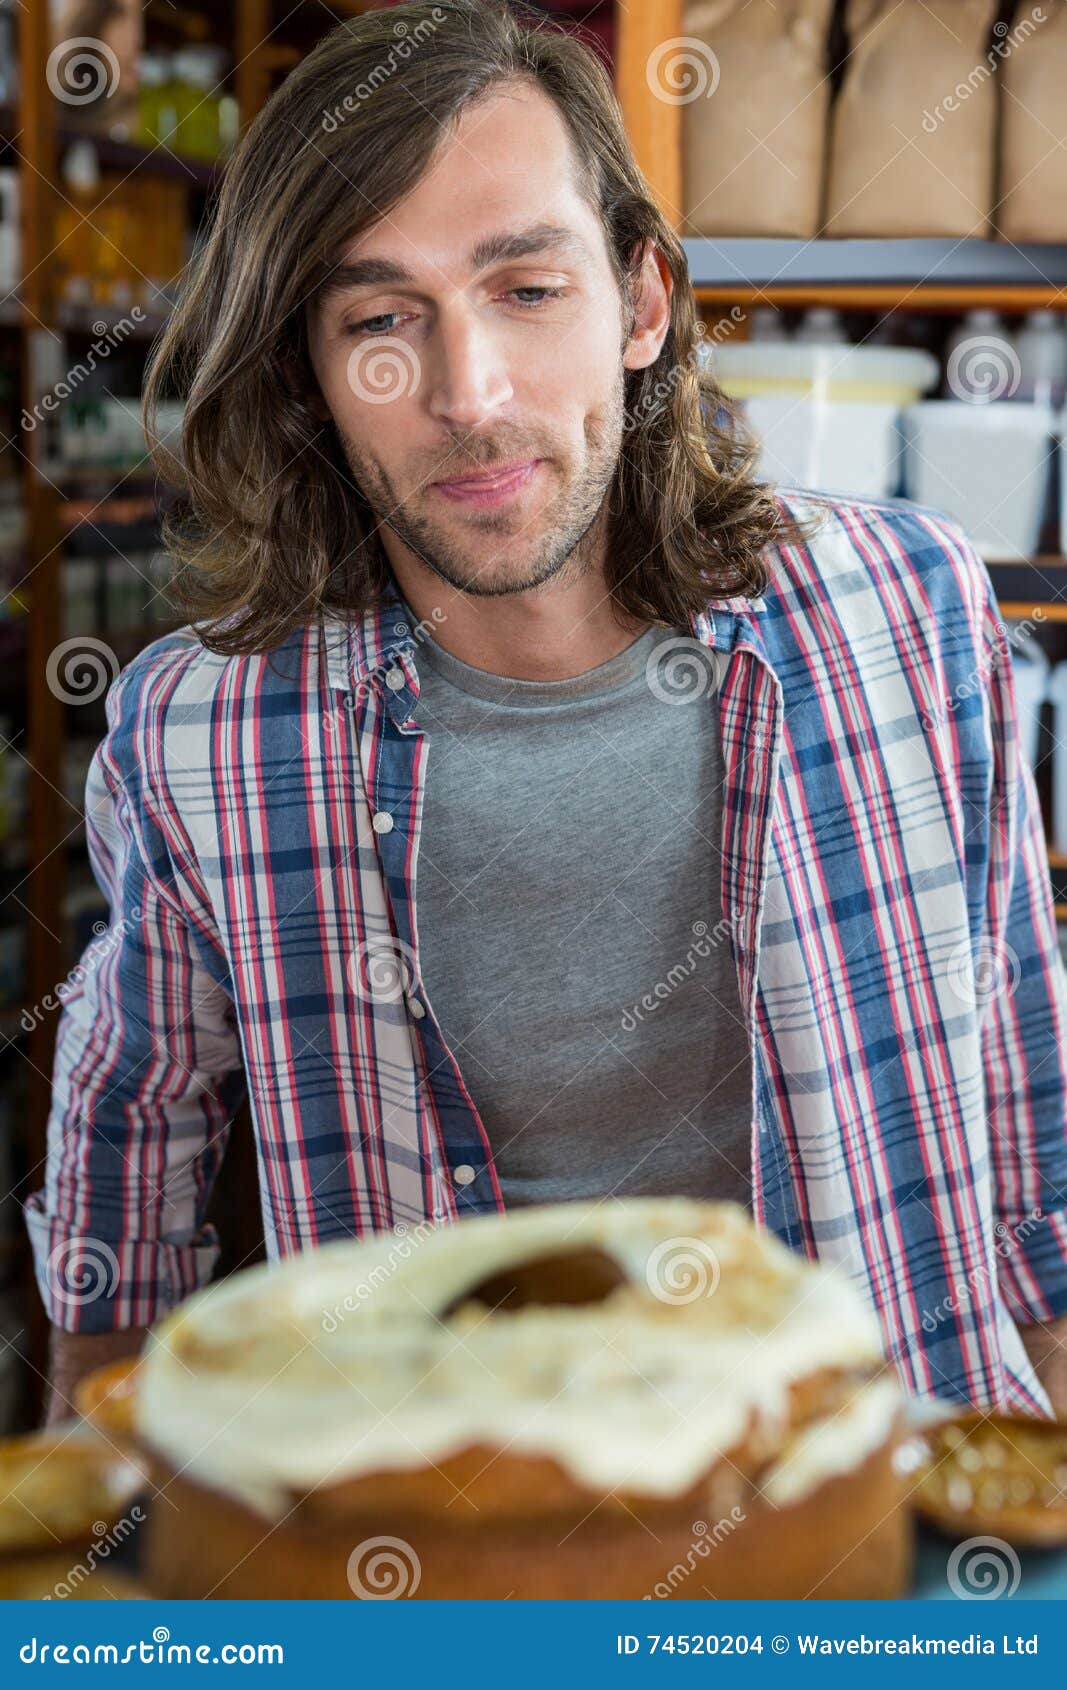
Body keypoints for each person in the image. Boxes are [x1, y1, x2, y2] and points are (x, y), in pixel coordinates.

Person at [28, 0, 1067, 1424]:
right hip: (452, 1535)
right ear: (306, 378)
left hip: (883, 1520)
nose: (471, 394)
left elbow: (1027, 1057)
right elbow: (127, 1110)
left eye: (528, 288)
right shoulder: (207, 734)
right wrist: (98, 1495)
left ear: (641, 301)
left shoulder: (911, 607)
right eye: (382, 318)